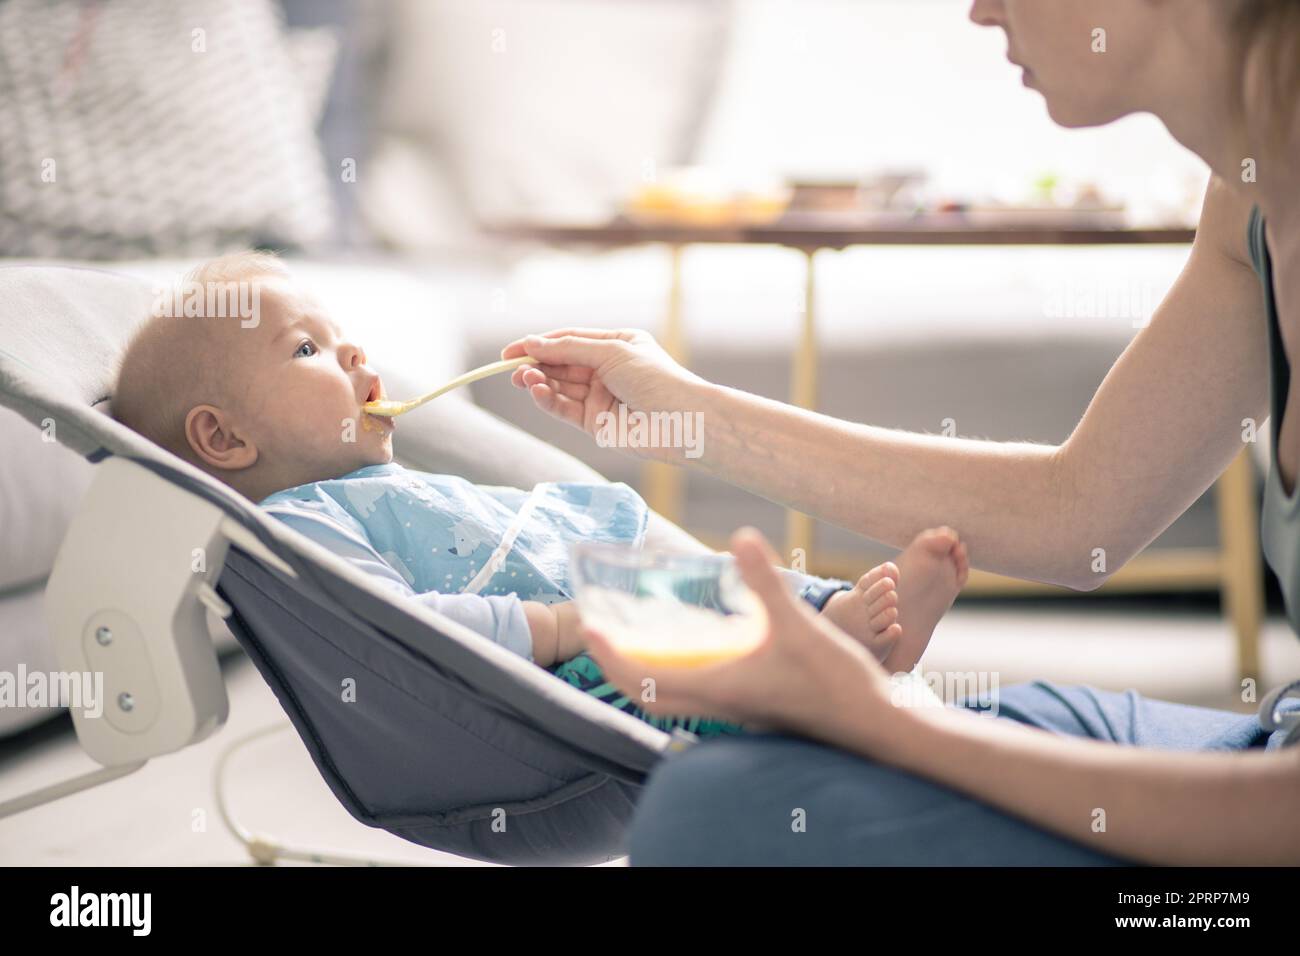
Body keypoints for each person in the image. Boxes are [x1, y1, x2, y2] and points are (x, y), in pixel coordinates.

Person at [499, 0, 1300, 864]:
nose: (980, 8)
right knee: (811, 759)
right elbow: (1079, 514)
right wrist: (688, 413)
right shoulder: (1248, 196)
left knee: (721, 812)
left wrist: (870, 716)